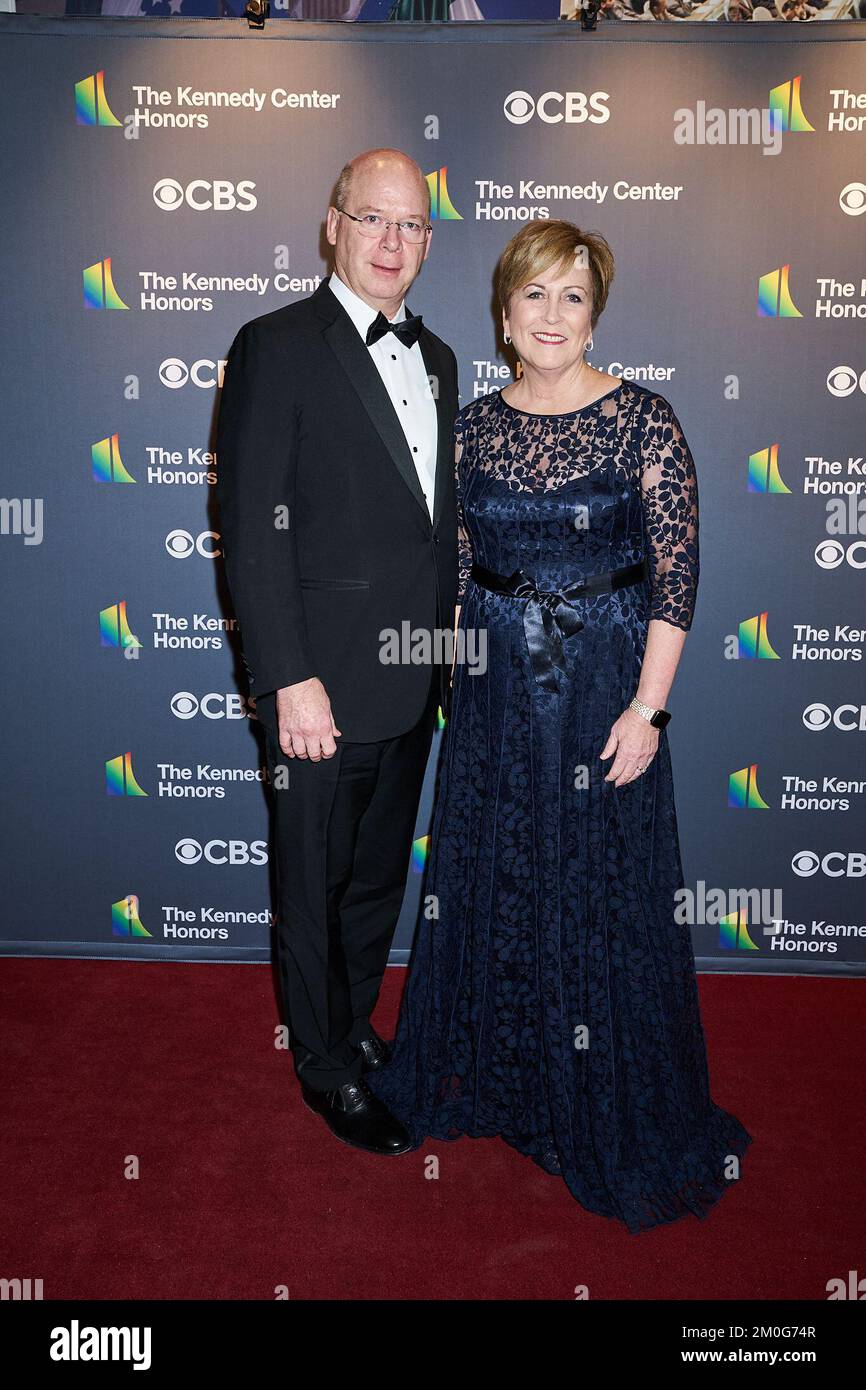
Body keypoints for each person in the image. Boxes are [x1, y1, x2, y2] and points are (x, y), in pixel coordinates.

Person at [369, 219, 753, 1232]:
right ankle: (504, 1080)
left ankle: (600, 1099)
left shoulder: (643, 422)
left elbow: (676, 578)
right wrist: (449, 681)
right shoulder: (475, 427)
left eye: (570, 296)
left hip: (599, 690)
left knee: (594, 885)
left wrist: (647, 708)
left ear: (594, 313)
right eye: (532, 295)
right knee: (497, 878)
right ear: (503, 313)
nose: (550, 314)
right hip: (494, 691)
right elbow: (455, 566)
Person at [215, 149, 460, 1156]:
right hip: (318, 684)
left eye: (411, 226)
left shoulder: (439, 356)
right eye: (373, 220)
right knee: (310, 885)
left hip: (413, 679)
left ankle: (355, 1024)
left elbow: (426, 527)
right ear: (332, 226)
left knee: (369, 880)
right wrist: (287, 677)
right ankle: (321, 1064)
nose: (392, 242)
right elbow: (248, 519)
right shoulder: (275, 344)